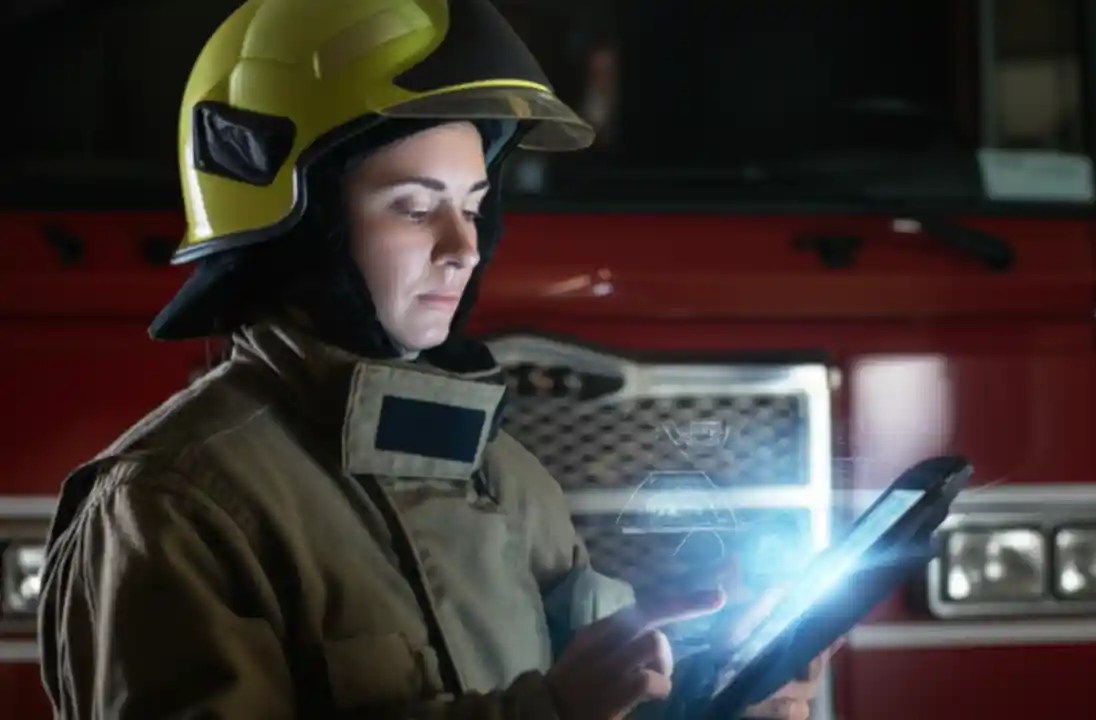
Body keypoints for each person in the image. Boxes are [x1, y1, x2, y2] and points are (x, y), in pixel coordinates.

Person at [37, 1, 836, 718]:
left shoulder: (512, 480)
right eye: (416, 208)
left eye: (474, 207)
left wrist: (716, 698)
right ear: (300, 232)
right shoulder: (173, 504)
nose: (463, 248)